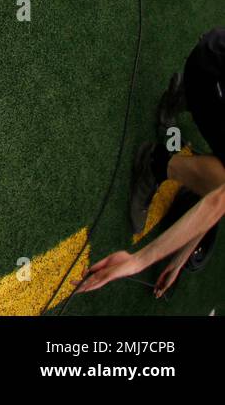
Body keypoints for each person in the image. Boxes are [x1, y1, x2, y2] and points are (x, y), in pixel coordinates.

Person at [80, 29, 225, 297]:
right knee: (221, 177)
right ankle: (155, 163)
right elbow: (219, 199)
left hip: (215, 55)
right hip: (207, 69)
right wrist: (138, 261)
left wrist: (182, 255)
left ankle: (184, 97)